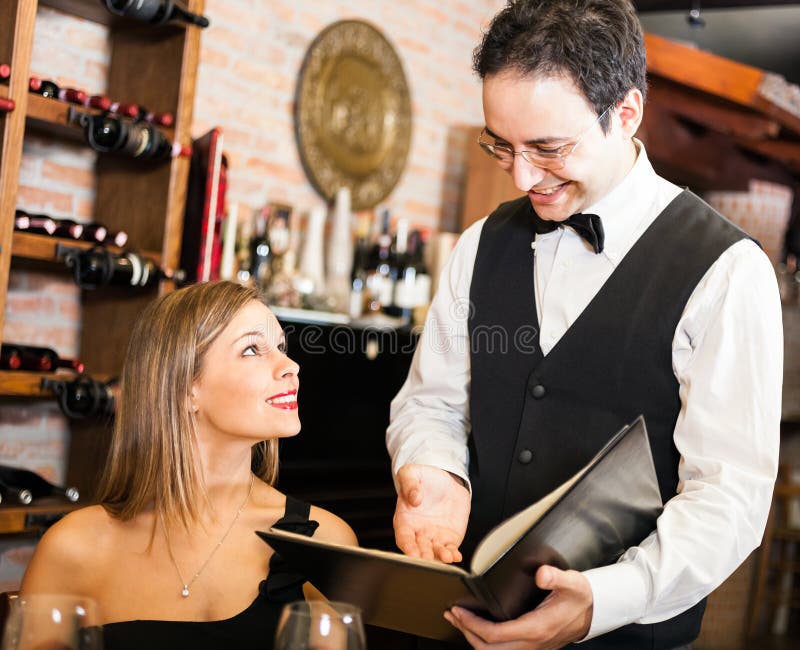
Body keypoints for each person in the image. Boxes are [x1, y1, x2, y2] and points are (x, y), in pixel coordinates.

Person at [387, 1, 783, 648]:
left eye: (548, 148)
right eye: (502, 146)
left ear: (626, 114)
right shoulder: (481, 245)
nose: (521, 176)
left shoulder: (728, 273)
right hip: (469, 625)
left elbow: (729, 497)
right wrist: (433, 472)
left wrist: (604, 599)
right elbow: (431, 404)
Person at [21, 280, 356, 648]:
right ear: (185, 387)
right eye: (252, 349)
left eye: (280, 347)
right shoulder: (72, 548)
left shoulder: (324, 542)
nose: (290, 366)